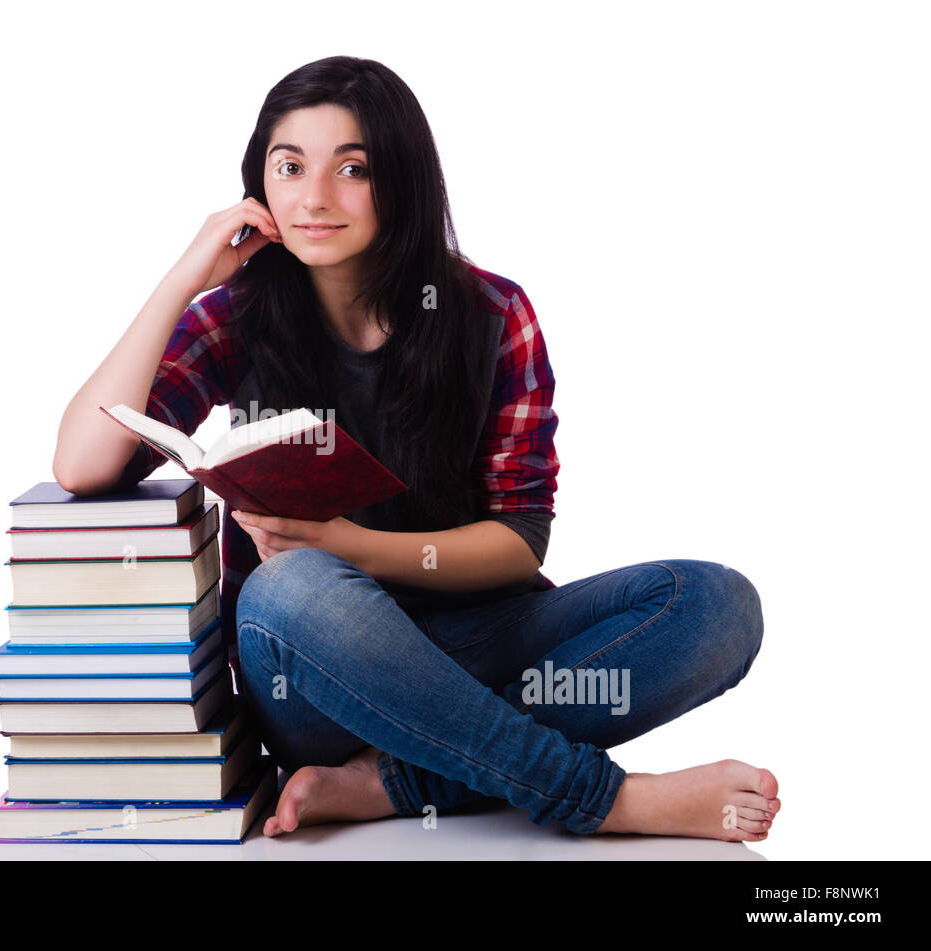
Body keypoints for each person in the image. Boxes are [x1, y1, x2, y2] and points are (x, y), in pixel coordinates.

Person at [52, 55, 780, 843]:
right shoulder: (237, 315)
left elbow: (519, 541)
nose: (314, 198)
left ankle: (396, 781)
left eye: (352, 168)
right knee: (286, 587)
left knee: (716, 606)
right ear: (259, 183)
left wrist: (355, 546)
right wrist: (185, 274)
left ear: (403, 181)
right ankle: (602, 798)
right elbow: (81, 463)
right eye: (289, 167)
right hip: (315, 675)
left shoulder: (491, 313)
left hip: (480, 643)